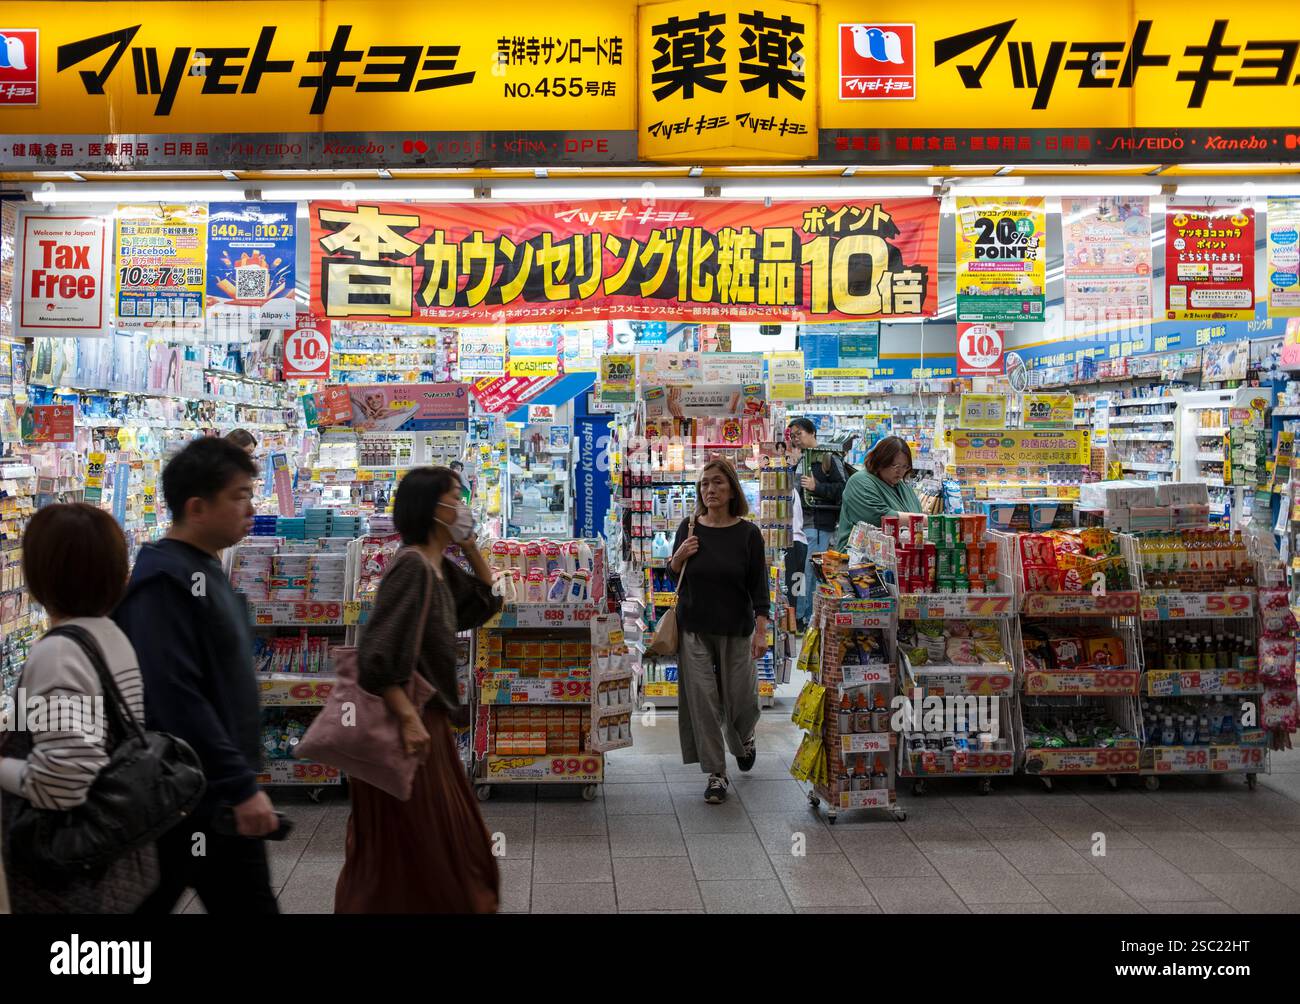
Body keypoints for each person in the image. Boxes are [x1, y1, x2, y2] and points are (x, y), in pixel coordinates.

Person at [114, 437, 283, 915]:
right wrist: (240, 784)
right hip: (189, 799)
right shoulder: (165, 583)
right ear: (197, 507)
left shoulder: (201, 569)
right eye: (238, 496)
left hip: (209, 797)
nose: (251, 507)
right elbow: (175, 697)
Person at [335, 466, 501, 913]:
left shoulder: (438, 566)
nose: (463, 506)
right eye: (455, 497)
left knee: (444, 841)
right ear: (432, 509)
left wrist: (470, 546)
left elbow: (482, 604)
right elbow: (376, 657)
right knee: (428, 843)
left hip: (429, 725)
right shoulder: (412, 567)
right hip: (408, 726)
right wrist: (408, 718)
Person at [0, 504, 156, 913]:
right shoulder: (110, 637)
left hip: (64, 874)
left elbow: (63, 783)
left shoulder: (60, 653)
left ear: (40, 574)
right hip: (110, 857)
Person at [669, 458, 770, 804]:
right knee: (704, 702)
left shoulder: (748, 534)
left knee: (741, 699)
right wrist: (679, 556)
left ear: (731, 490)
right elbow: (674, 574)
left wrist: (762, 629)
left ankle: (745, 737)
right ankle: (717, 773)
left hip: (736, 628)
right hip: (694, 626)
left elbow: (759, 586)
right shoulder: (689, 527)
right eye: (704, 484)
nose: (709, 490)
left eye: (717, 483)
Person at [787, 418, 848, 628]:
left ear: (812, 432)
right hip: (799, 526)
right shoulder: (801, 458)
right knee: (801, 572)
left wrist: (817, 486)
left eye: (799, 434)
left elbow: (843, 489)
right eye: (792, 436)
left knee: (810, 572)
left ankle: (806, 618)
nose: (796, 439)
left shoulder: (828, 458)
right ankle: (801, 615)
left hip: (819, 524)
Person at [836, 436, 924, 549]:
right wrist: (924, 520)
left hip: (898, 557)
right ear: (880, 460)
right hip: (857, 559)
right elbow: (879, 517)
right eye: (895, 466)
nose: (900, 471)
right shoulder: (860, 481)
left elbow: (916, 512)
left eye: (905, 466)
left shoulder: (903, 487)